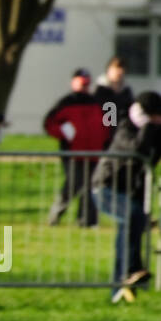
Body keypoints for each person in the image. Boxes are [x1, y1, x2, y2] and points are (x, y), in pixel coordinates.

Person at [92, 90, 161, 304]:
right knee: (133, 216)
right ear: (148, 114)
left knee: (128, 230)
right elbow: (137, 149)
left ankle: (120, 289)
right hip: (105, 187)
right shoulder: (126, 127)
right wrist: (149, 126)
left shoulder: (153, 130)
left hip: (130, 194)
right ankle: (132, 270)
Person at [43, 68, 111, 227]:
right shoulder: (65, 102)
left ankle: (87, 221)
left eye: (87, 83)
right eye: (82, 83)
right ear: (73, 82)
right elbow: (49, 124)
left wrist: (105, 142)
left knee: (92, 188)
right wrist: (65, 133)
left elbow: (108, 125)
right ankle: (55, 216)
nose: (85, 86)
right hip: (73, 153)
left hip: (94, 153)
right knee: (72, 186)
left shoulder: (97, 102)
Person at [93, 56, 134, 129]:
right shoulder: (100, 91)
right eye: (116, 68)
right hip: (104, 132)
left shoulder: (126, 91)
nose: (120, 71)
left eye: (122, 68)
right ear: (109, 70)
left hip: (121, 131)